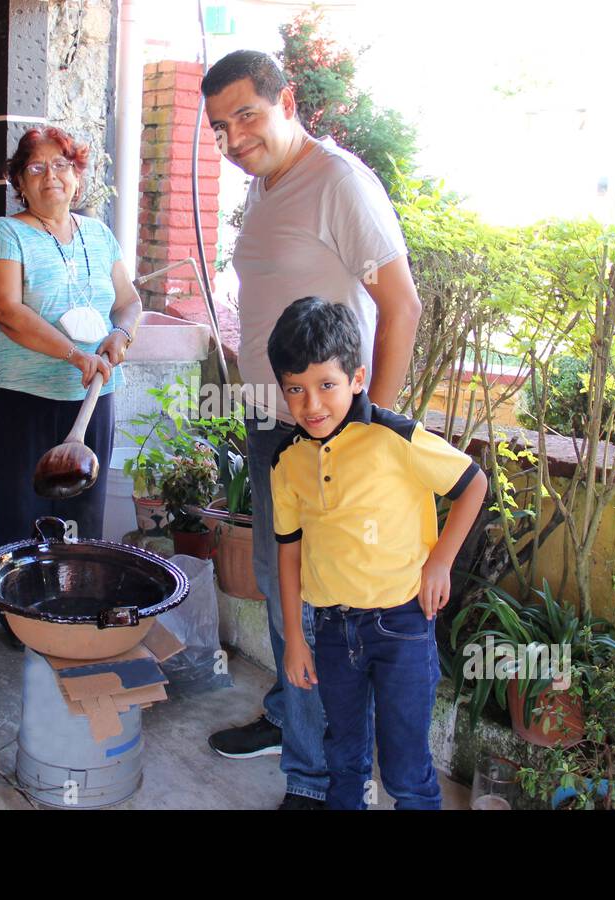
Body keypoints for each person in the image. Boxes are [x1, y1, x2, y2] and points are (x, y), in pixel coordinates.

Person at [203, 50, 423, 808]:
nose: (233, 139)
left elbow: (401, 306)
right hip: (275, 427)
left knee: (321, 600)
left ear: (286, 100)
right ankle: (292, 722)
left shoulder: (338, 182)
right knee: (284, 589)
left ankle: (317, 776)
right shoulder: (267, 187)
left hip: (327, 431)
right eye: (220, 127)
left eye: (247, 117)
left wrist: (373, 436)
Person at [268, 297, 487, 810]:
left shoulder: (397, 438)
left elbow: (473, 485)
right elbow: (288, 553)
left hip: (403, 626)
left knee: (406, 767)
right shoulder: (288, 460)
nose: (311, 405)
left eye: (326, 385)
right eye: (295, 390)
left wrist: (440, 561)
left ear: (358, 377)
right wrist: (295, 641)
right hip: (331, 630)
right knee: (342, 759)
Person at [0, 126, 143, 646]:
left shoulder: (99, 234)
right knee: (23, 512)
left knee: (83, 512)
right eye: (37, 168)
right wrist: (75, 354)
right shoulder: (8, 231)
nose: (52, 177)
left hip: (90, 402)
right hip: (22, 399)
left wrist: (119, 334)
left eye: (63, 166)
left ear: (78, 175)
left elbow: (130, 301)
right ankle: (20, 615)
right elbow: (4, 310)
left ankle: (69, 605)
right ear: (20, 182)